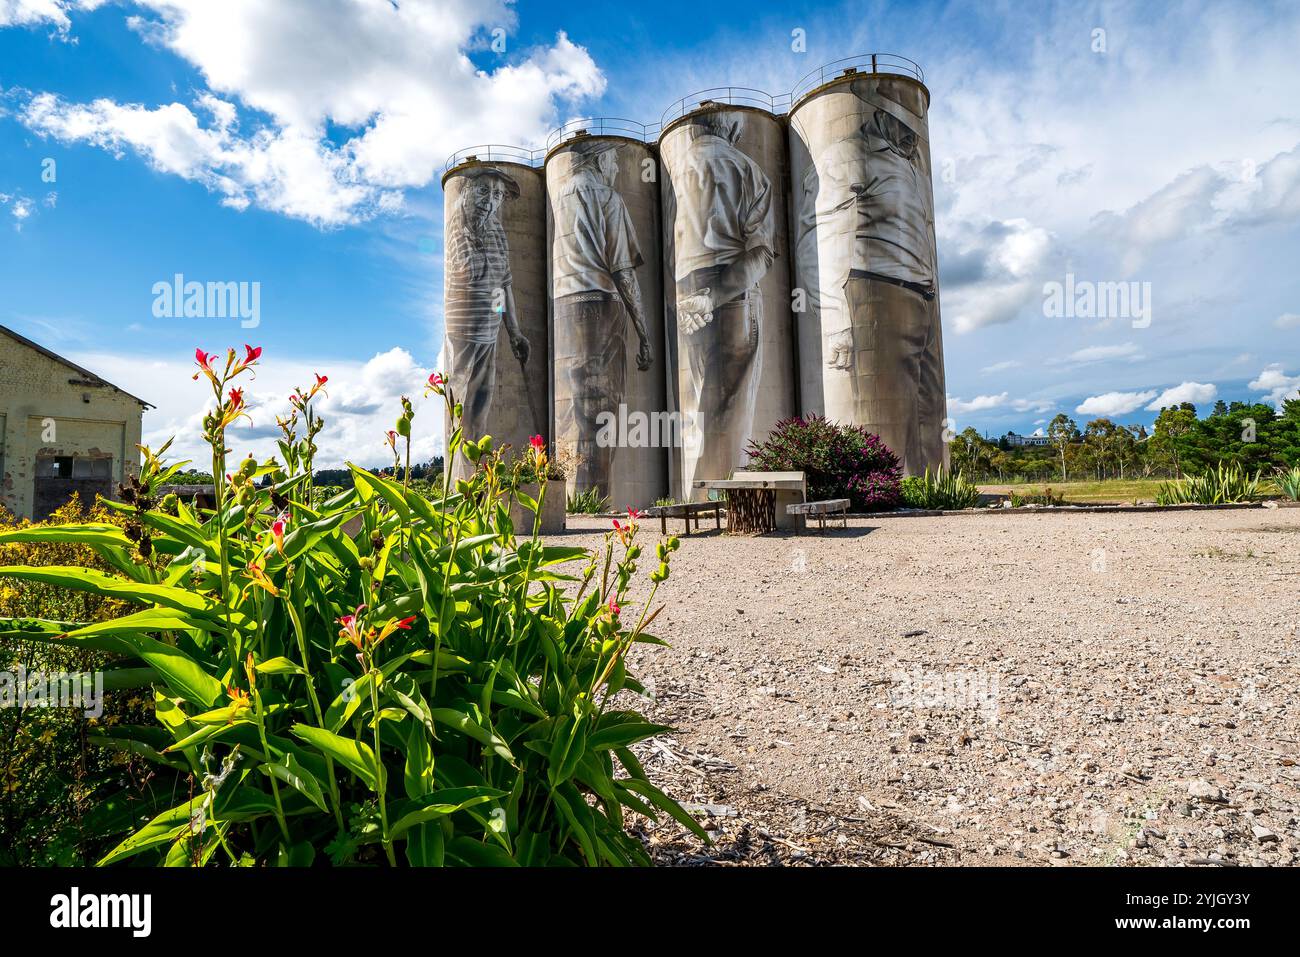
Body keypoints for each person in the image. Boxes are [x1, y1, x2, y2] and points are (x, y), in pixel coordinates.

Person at [795, 78, 946, 473]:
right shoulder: (845, 155)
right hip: (878, 297)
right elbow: (816, 240)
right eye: (906, 123)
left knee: (930, 428)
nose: (914, 134)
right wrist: (837, 322)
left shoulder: (912, 165)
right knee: (889, 434)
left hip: (925, 301)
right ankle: (885, 502)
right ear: (884, 115)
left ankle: (928, 499)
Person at [665, 111, 775, 491]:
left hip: (686, 298)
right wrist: (710, 299)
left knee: (700, 408)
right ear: (731, 128)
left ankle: (697, 495)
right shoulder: (747, 168)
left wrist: (685, 301)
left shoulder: (675, 173)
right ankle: (722, 501)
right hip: (730, 294)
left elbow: (667, 252)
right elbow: (760, 254)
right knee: (730, 410)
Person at [551, 140, 652, 497]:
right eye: (612, 160)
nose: (617, 167)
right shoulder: (608, 197)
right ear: (600, 160)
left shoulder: (560, 194)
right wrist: (644, 332)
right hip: (601, 307)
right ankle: (596, 500)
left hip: (564, 306)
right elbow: (624, 272)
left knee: (573, 413)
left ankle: (574, 499)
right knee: (602, 411)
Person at [444, 165, 530, 445]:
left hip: (489, 334)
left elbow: (502, 284)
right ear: (466, 190)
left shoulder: (495, 229)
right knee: (460, 404)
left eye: (497, 195)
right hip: (464, 334)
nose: (489, 201)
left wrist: (514, 331)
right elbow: (474, 275)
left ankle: (477, 475)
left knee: (481, 405)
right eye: (483, 191)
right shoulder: (457, 227)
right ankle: (460, 477)